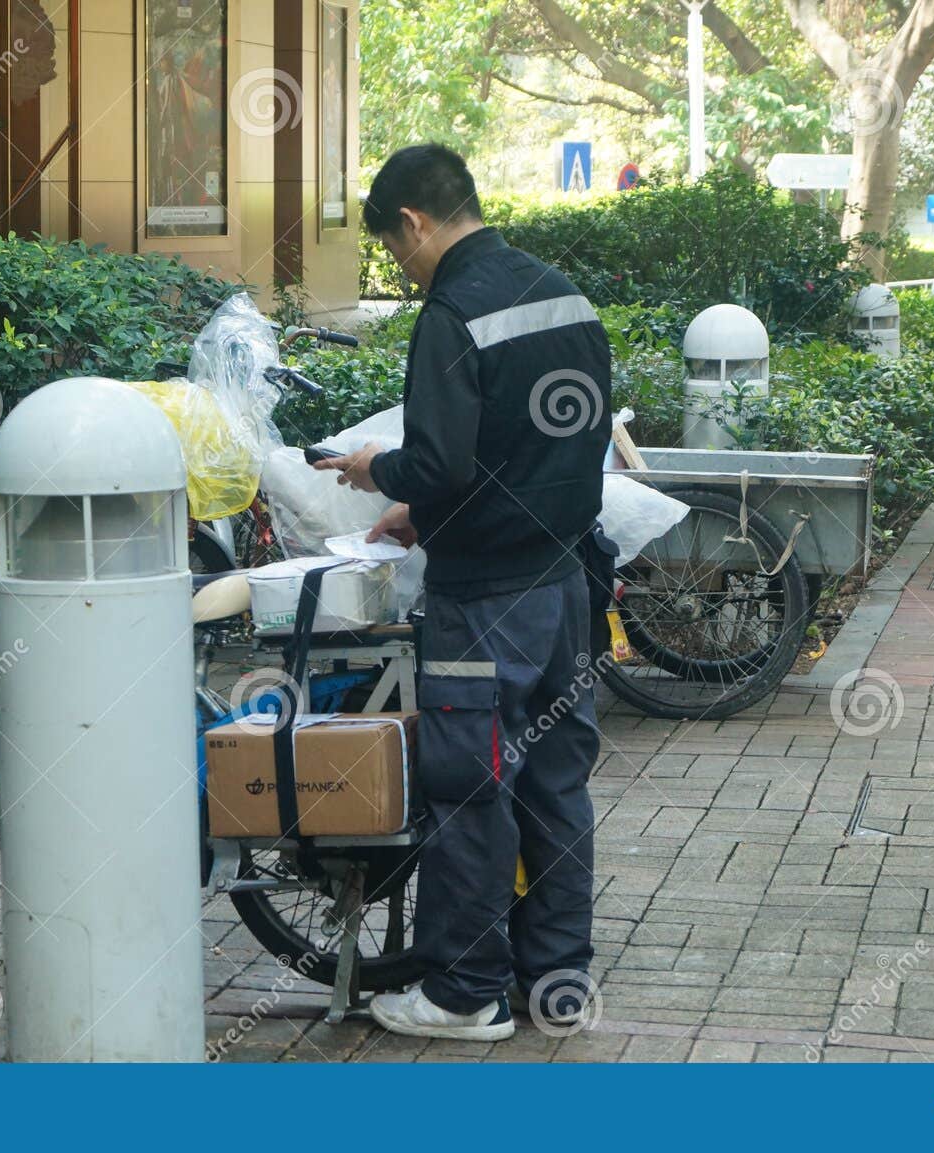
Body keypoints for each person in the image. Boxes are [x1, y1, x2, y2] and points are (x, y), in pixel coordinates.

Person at [313, 144, 611, 1041]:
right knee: (554, 782)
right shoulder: (563, 294)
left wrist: (379, 470)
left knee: (470, 785)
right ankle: (556, 977)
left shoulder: (451, 314)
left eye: (396, 252)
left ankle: (466, 990)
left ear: (413, 222)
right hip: (563, 587)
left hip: (485, 602)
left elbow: (442, 459)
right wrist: (427, 512)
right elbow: (543, 444)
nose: (404, 274)